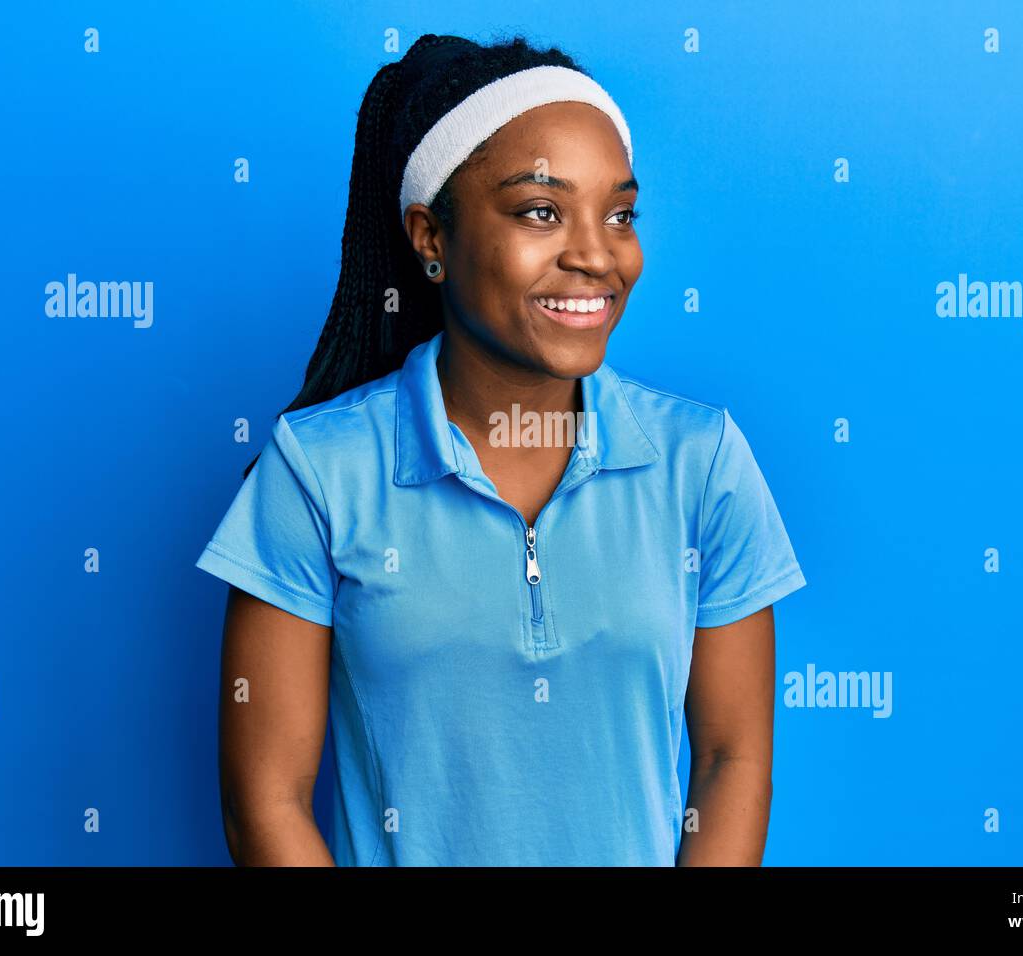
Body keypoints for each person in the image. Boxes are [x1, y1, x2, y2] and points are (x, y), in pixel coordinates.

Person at [195, 32, 807, 866]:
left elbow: (735, 761)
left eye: (620, 213)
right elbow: (263, 806)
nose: (597, 255)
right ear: (430, 239)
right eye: (541, 212)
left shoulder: (703, 465)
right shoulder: (315, 473)